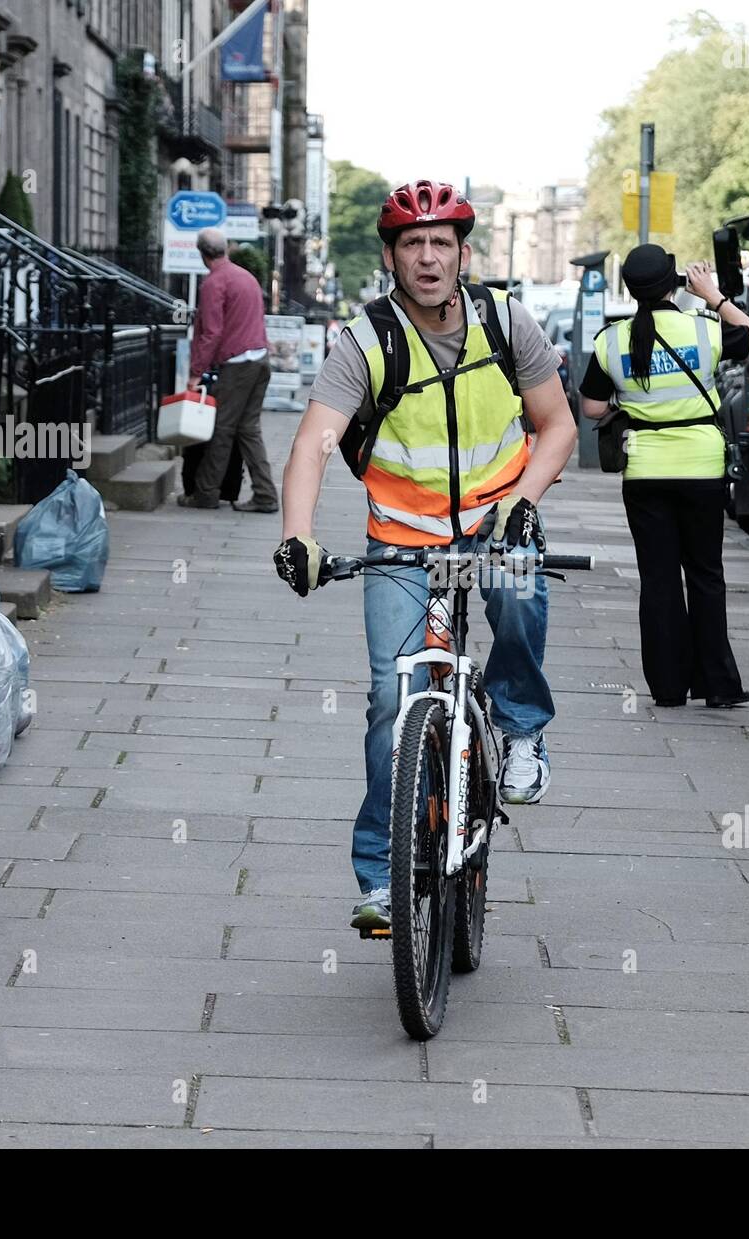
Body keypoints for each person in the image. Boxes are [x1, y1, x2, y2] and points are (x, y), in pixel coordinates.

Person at [272, 179, 577, 931]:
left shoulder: (506, 322)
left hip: (493, 524)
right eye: (414, 243)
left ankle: (522, 727)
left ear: (463, 254)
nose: (429, 256)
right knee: (390, 701)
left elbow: (559, 425)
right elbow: (312, 441)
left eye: (442, 242)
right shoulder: (367, 339)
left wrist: (525, 498)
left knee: (516, 586)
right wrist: (298, 533)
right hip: (403, 543)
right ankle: (380, 877)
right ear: (391, 256)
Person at [578, 244, 749, 709]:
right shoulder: (703, 329)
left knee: (658, 579)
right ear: (674, 282)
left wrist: (630, 405)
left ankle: (667, 688)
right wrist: (713, 296)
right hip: (701, 468)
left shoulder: (611, 341)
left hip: (645, 470)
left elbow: (592, 407)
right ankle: (718, 686)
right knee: (705, 575)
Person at [176, 227, 279, 514]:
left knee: (221, 430)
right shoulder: (246, 277)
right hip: (260, 360)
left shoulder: (214, 283)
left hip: (238, 365)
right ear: (225, 249)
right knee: (248, 430)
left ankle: (206, 494)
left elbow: (211, 332)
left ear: (202, 254)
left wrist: (196, 372)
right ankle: (265, 495)